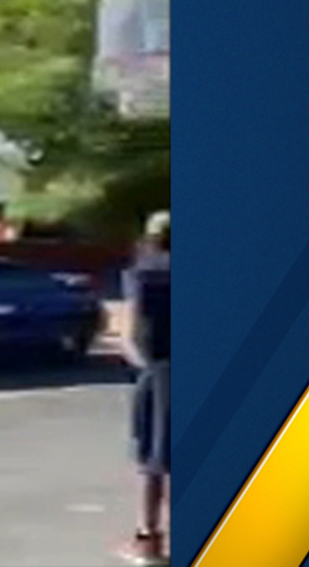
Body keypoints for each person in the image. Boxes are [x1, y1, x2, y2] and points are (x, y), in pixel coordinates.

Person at [118, 210, 171, 565]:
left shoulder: (142, 273)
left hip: (160, 371)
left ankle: (149, 541)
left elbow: (130, 334)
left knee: (154, 460)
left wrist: (146, 368)